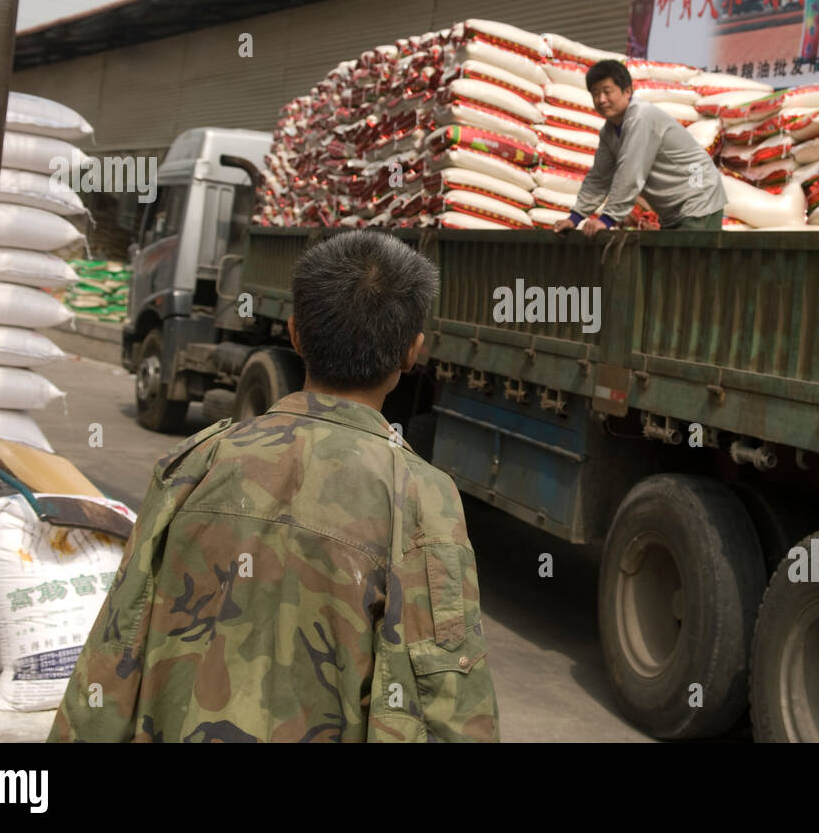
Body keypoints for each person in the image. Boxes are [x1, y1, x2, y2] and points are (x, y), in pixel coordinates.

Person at [49, 231, 499, 743]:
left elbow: (114, 653)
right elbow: (447, 702)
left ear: (295, 336)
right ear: (411, 354)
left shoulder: (196, 462)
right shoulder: (423, 497)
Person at [553, 59, 726, 237]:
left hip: (698, 192)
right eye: (595, 93)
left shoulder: (640, 118)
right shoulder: (609, 132)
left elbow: (630, 171)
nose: (601, 100)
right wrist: (574, 218)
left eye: (607, 92)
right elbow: (599, 177)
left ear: (627, 91)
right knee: (675, 261)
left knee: (690, 261)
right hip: (675, 208)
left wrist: (607, 220)